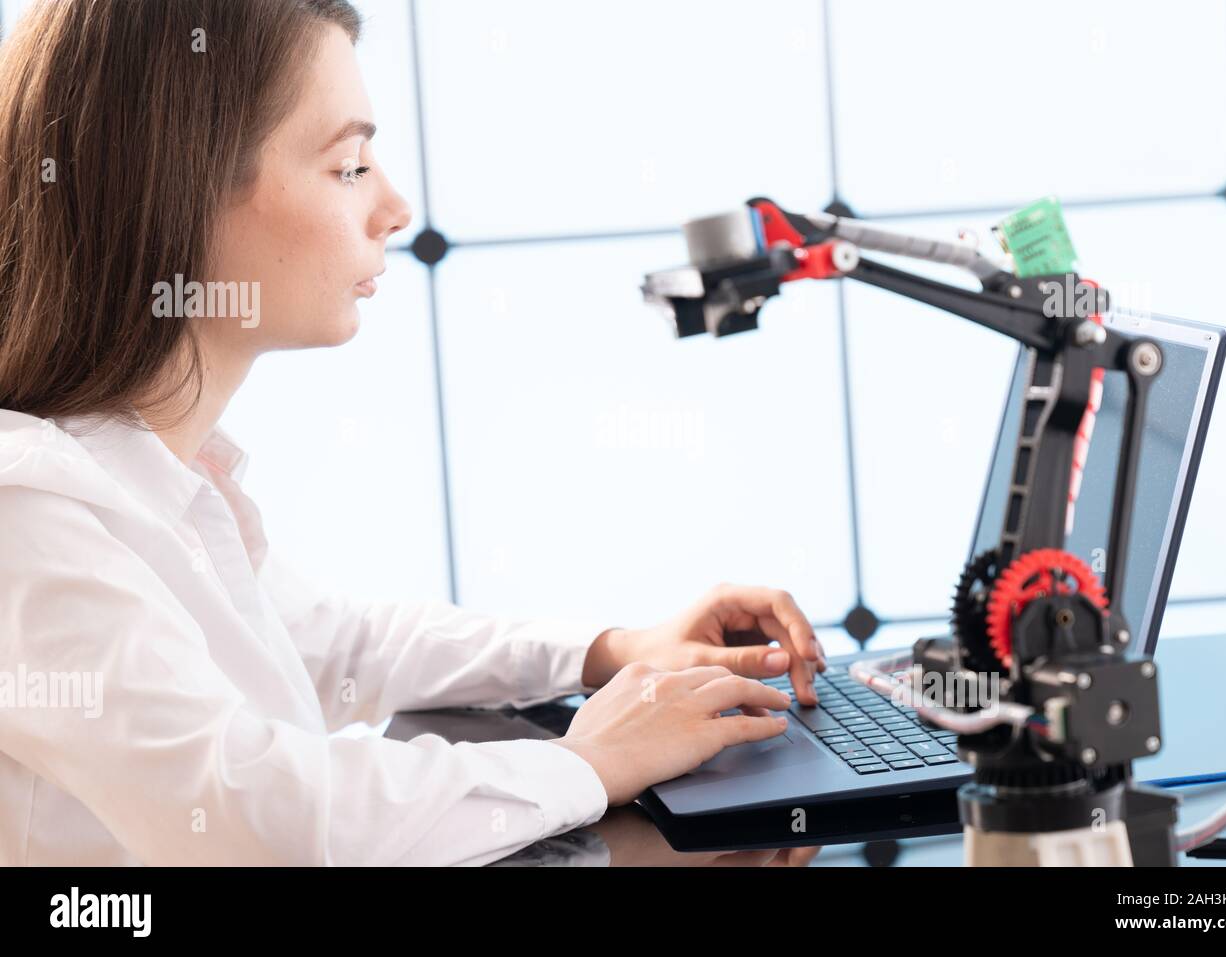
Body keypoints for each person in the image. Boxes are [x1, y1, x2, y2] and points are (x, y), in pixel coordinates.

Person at [0, 0, 825, 866]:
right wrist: (588, 759)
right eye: (349, 164)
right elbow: (250, 817)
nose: (392, 206)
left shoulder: (163, 483)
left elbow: (338, 647)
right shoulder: (29, 513)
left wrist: (609, 652)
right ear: (180, 181)